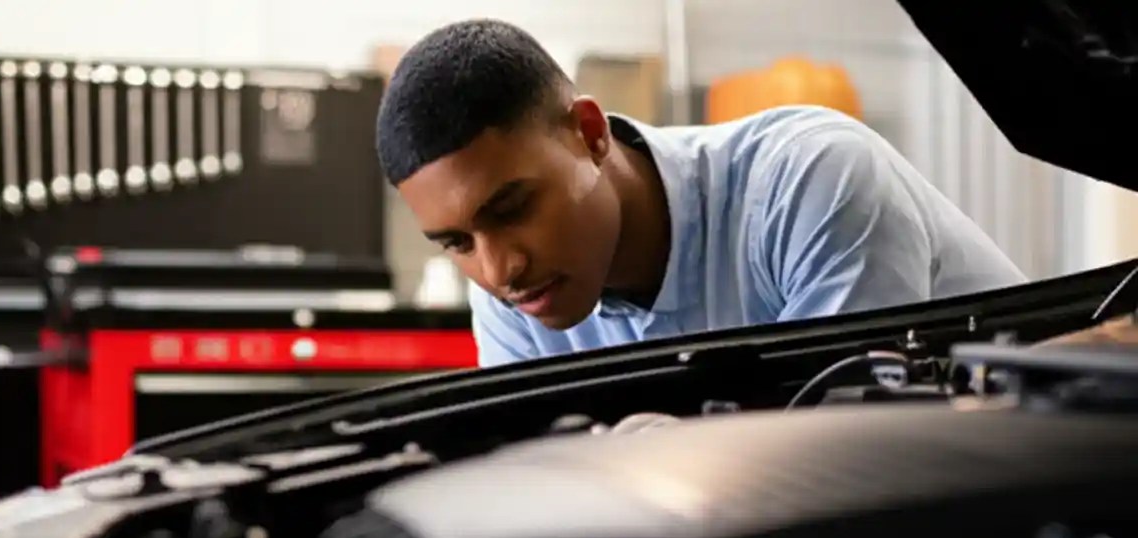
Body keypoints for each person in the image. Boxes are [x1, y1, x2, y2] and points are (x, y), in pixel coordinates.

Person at [375, 19, 1028, 367]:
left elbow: (838, 459)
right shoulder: (515, 301)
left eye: (513, 207)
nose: (498, 270)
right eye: (458, 243)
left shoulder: (811, 181)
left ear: (590, 134)